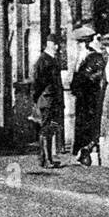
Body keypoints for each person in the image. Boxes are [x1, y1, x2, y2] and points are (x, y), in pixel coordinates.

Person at [69, 27, 107, 165]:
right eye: (79, 43)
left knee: (89, 123)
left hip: (90, 96)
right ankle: (79, 150)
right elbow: (75, 76)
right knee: (80, 123)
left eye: (83, 43)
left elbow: (98, 75)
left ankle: (87, 152)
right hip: (81, 96)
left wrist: (86, 79)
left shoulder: (96, 57)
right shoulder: (78, 58)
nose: (81, 46)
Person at [30, 32, 64, 168]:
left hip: (53, 99)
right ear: (49, 44)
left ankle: (45, 159)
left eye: (58, 44)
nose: (57, 47)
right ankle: (47, 160)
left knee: (50, 128)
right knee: (46, 129)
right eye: (55, 44)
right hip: (46, 99)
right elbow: (37, 83)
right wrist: (37, 99)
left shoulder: (52, 59)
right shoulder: (43, 60)